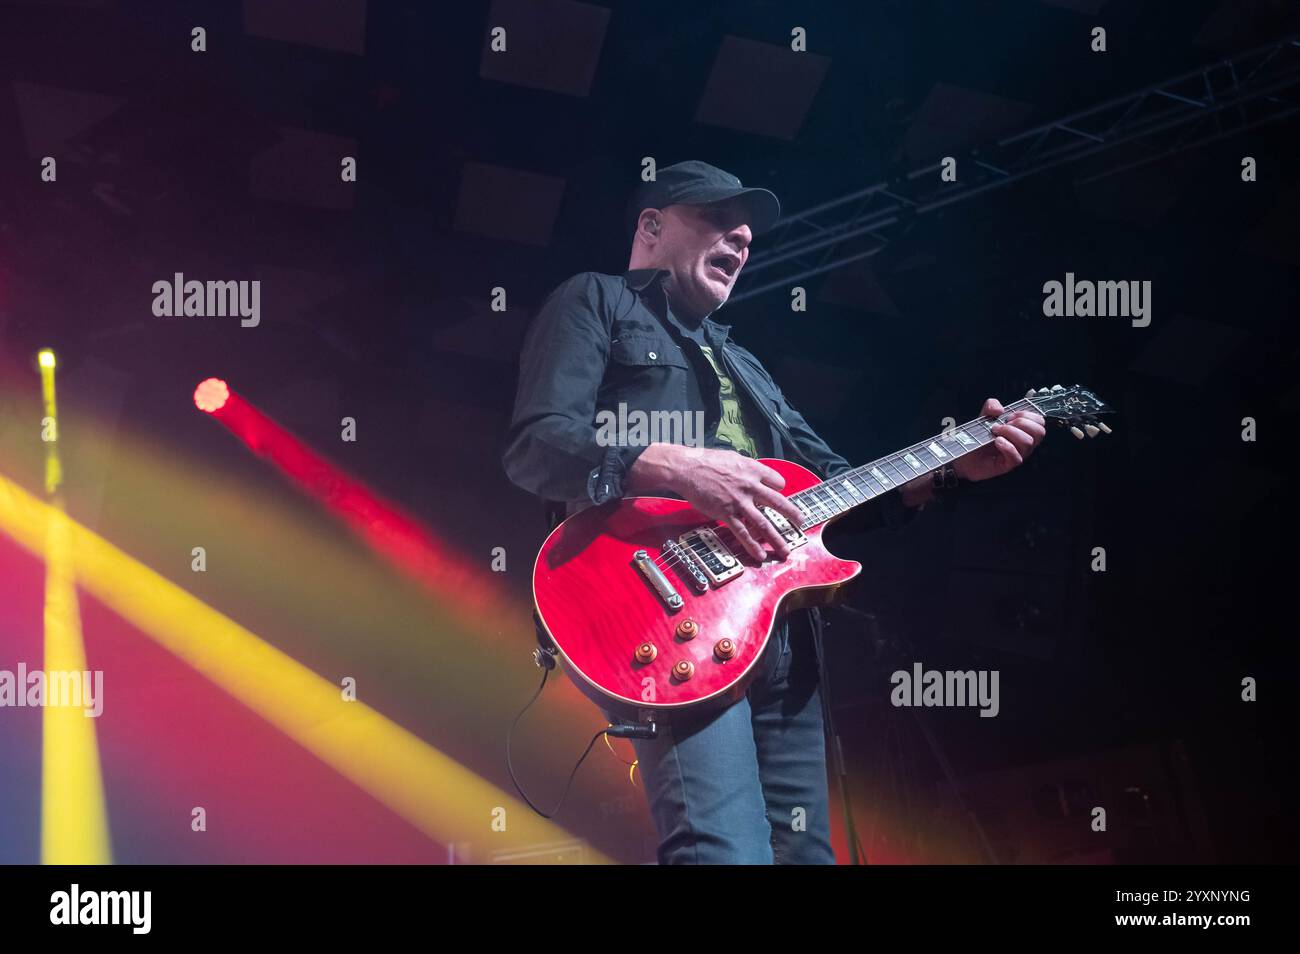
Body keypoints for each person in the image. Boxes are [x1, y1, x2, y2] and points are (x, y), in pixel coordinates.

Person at [503, 160, 1046, 864]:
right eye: (720, 221)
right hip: (667, 614)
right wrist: (675, 466)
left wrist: (948, 472)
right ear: (652, 224)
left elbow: (838, 490)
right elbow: (535, 445)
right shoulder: (596, 302)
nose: (742, 239)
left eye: (748, 234)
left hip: (779, 632)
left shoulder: (746, 366)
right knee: (724, 851)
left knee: (806, 858)